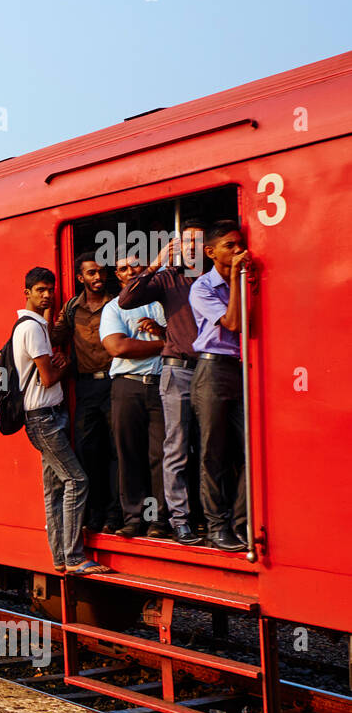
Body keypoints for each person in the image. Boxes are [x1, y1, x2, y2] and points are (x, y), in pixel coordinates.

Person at [13, 266, 108, 576]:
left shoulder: (35, 325)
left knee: (54, 489)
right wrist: (67, 364)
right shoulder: (31, 329)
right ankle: (73, 555)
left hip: (45, 417)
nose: (46, 295)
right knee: (77, 481)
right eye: (40, 290)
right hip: (44, 419)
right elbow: (48, 376)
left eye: (50, 290)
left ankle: (59, 556)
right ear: (26, 293)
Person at [119, 220, 208, 545]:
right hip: (177, 370)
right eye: (186, 243)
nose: (192, 249)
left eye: (198, 243)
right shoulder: (168, 278)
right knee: (177, 447)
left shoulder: (213, 278)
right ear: (177, 246)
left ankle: (211, 519)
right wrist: (156, 263)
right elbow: (126, 300)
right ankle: (180, 521)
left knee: (212, 446)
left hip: (212, 369)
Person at [189, 220, 254, 552]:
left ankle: (241, 522)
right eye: (230, 245)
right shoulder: (202, 287)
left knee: (249, 449)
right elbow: (233, 323)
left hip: (239, 369)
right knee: (213, 453)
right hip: (212, 370)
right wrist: (236, 281)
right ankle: (217, 527)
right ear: (210, 252)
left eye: (240, 243)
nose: (238, 250)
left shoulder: (242, 281)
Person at [101, 257, 171, 539]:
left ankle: (157, 519)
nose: (131, 272)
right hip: (126, 386)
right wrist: (164, 343)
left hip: (162, 384)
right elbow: (118, 347)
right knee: (129, 455)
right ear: (117, 275)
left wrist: (162, 337)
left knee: (160, 456)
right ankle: (133, 518)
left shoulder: (162, 302)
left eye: (136, 265)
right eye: (123, 268)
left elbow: (183, 338)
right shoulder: (113, 307)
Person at [53, 252, 122, 534]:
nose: (98, 277)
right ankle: (95, 513)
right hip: (86, 387)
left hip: (116, 382)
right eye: (91, 273)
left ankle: (116, 514)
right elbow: (55, 337)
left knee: (117, 450)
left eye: (101, 272)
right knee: (87, 451)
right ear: (80, 278)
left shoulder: (118, 302)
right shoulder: (72, 309)